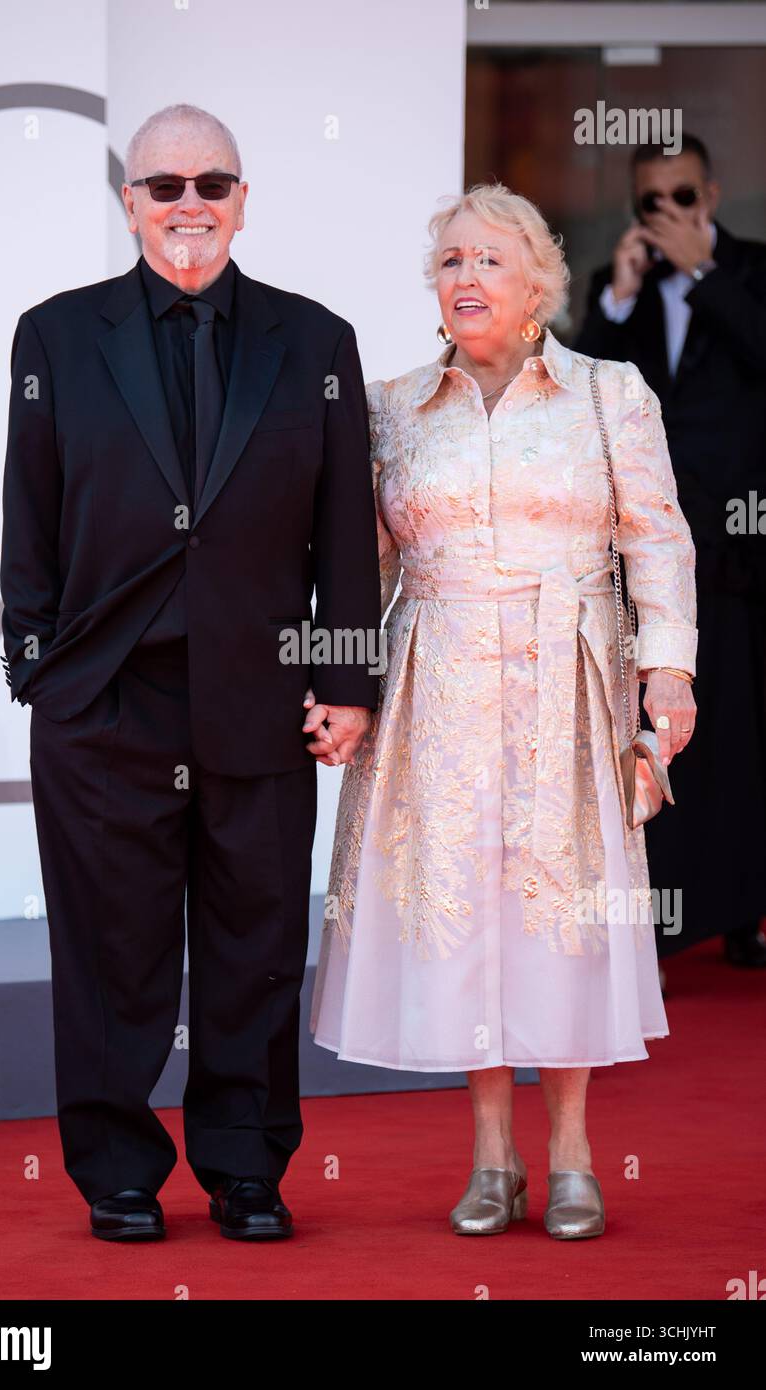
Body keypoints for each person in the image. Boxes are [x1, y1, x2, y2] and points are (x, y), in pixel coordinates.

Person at [0, 103, 380, 1242]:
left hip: (261, 693)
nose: (188, 204)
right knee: (110, 945)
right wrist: (37, 668)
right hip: (104, 697)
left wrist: (348, 678)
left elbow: (343, 529)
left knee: (255, 940)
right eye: (163, 185)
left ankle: (245, 1167)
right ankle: (117, 1168)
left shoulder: (312, 341)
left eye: (211, 183)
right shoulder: (56, 337)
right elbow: (29, 516)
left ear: (243, 200)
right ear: (128, 203)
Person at [308, 183, 697, 1239]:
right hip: (434, 683)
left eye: (487, 259)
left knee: (559, 915)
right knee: (461, 919)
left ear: (536, 284)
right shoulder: (388, 405)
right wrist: (336, 678)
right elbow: (359, 563)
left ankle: (569, 1152)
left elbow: (655, 538)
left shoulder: (607, 394)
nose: (465, 278)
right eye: (448, 263)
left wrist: (666, 670)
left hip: (567, 675)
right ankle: (491, 1157)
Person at [576, 133, 766, 970]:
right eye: (652, 201)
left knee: (741, 736)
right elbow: (581, 395)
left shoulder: (753, 271)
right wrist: (618, 300)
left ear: (712, 195)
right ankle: (661, 921)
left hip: (742, 546)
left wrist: (706, 275)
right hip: (648, 554)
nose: (668, 216)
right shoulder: (621, 289)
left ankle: (746, 913)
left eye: (682, 198)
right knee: (658, 729)